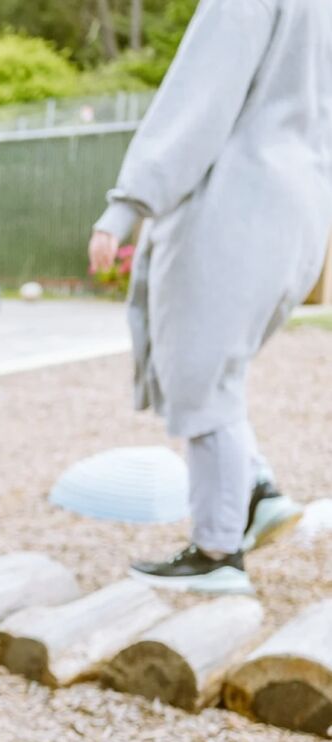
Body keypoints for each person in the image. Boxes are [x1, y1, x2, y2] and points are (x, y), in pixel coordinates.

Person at [89, 0, 329, 594]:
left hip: (235, 205)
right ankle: (256, 491)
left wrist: (128, 205)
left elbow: (199, 99)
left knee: (197, 372)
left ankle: (219, 549)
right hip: (301, 210)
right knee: (220, 370)